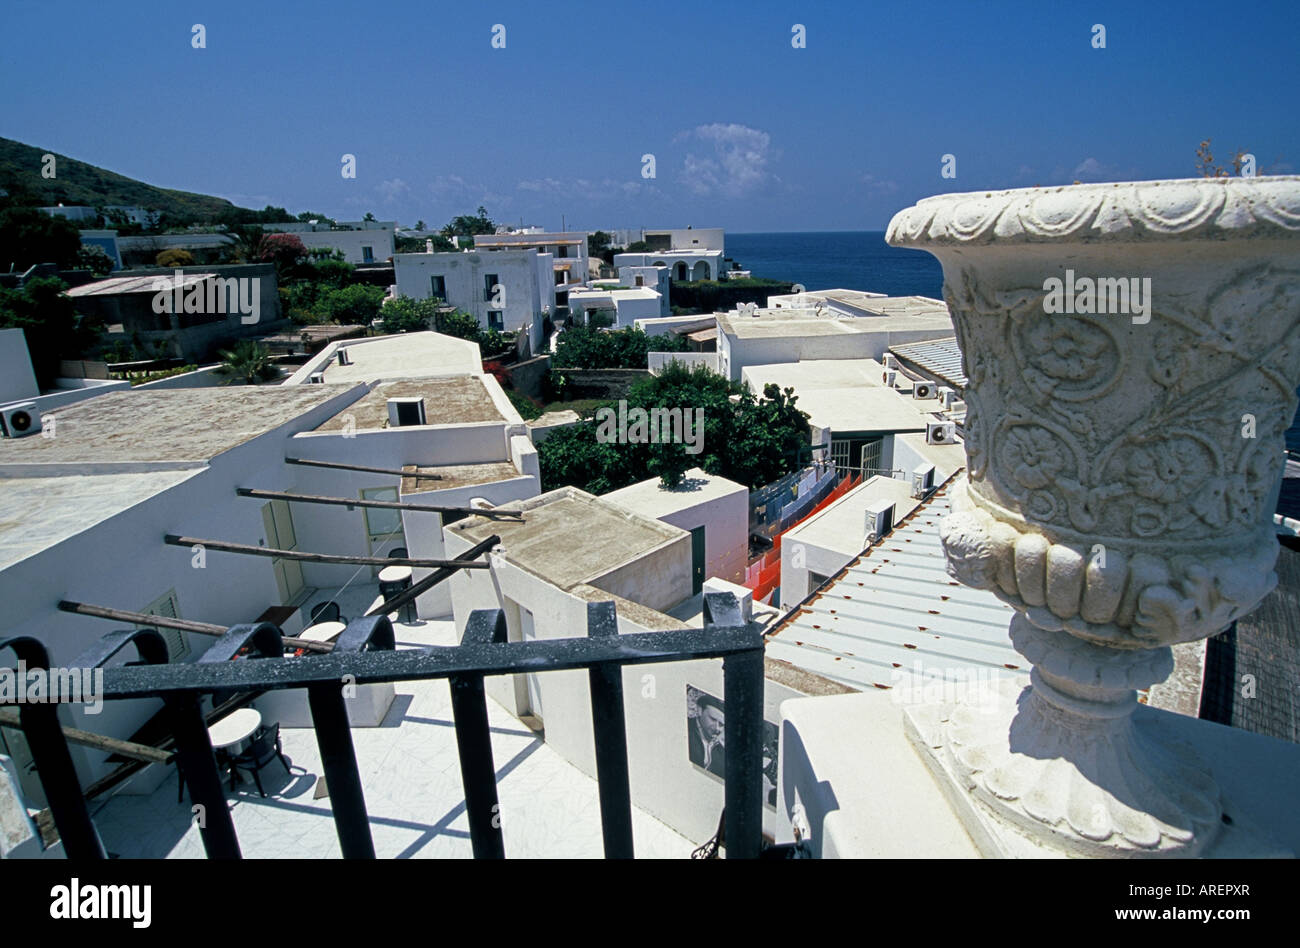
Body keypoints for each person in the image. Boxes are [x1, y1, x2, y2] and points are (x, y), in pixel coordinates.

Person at [688, 693, 726, 777]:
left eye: (721, 724)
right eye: (712, 719)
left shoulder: (721, 748)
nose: (717, 728)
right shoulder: (686, 729)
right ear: (700, 710)